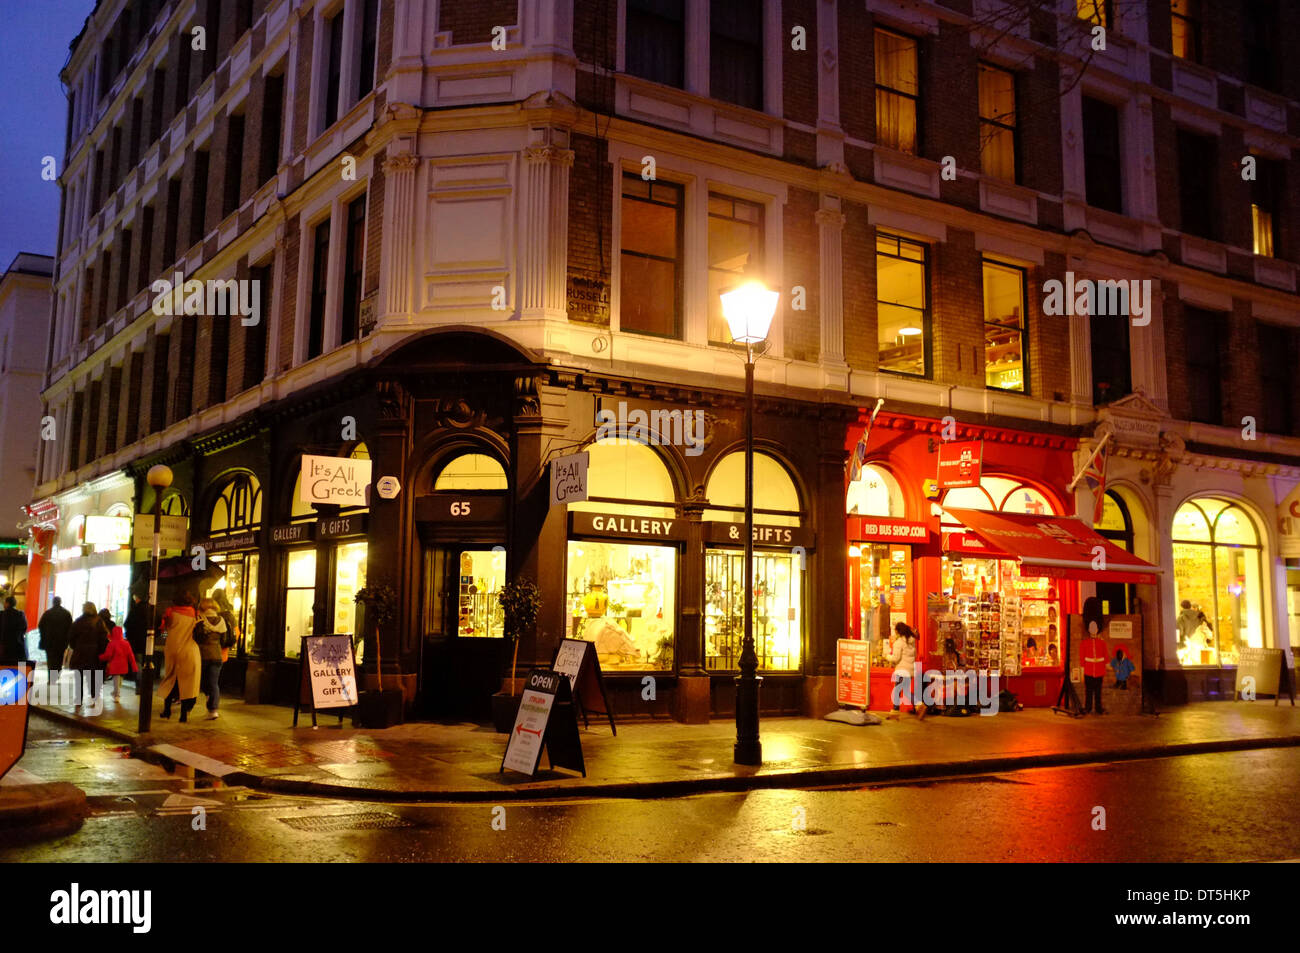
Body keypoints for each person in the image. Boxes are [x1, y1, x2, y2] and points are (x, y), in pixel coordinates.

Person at [156, 592, 201, 722]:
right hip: (189, 649)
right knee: (187, 682)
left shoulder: (170, 612)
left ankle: (167, 710)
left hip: (173, 648)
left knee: (170, 678)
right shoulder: (195, 613)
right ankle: (183, 715)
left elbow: (164, 628)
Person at [194, 598, 235, 719]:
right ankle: (213, 709)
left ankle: (211, 705)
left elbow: (195, 638)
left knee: (203, 682)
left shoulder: (198, 621)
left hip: (202, 655)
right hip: (217, 655)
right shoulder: (221, 620)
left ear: (201, 608)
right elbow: (224, 640)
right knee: (214, 683)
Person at [68, 602, 109, 706]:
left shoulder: (78, 621)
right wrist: (102, 651)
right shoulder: (99, 622)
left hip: (80, 653)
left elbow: (71, 638)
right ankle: (93, 698)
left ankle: (78, 699)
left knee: (79, 676)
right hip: (94, 654)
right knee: (93, 677)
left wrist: (76, 647)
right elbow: (104, 639)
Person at [886, 622, 920, 720]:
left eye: (895, 630)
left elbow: (895, 658)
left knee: (897, 691)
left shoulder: (899, 643)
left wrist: (886, 656)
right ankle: (918, 705)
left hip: (902, 670)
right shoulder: (912, 642)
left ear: (898, 631)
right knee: (904, 691)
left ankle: (896, 712)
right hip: (909, 670)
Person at [99, 624, 138, 700]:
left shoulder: (111, 643)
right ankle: (116, 692)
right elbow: (131, 656)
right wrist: (134, 667)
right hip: (123, 666)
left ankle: (116, 695)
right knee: (119, 680)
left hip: (114, 666)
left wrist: (100, 657)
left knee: (116, 680)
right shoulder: (126, 643)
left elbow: (108, 655)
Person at [37, 596, 73, 678]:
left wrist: (44, 636)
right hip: (61, 641)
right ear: (60, 602)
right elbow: (70, 627)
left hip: (49, 641)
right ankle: (57, 673)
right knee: (59, 658)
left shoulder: (47, 613)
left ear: (53, 602)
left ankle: (51, 676)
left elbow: (40, 626)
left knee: (50, 659)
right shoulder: (66, 614)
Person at [1080, 620, 1109, 715]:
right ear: (1089, 630)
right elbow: (1082, 658)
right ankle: (1088, 708)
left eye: (1094, 628)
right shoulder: (1084, 643)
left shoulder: (1102, 643)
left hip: (1099, 670)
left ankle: (1098, 708)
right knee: (1088, 691)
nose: (1093, 630)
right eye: (1091, 628)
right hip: (1088, 670)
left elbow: (1105, 656)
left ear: (1097, 630)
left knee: (1098, 691)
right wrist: (1082, 671)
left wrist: (1107, 666)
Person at [124, 593, 148, 674]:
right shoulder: (150, 609)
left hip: (136, 640)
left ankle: (139, 681)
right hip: (147, 641)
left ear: (138, 599)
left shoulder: (135, 609)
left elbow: (127, 624)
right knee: (145, 661)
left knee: (138, 660)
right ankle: (144, 678)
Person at [0, 596, 27, 664]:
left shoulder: (2, 614)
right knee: (21, 667)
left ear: (7, 604)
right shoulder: (20, 614)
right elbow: (24, 627)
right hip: (18, 645)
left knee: (5, 667)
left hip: (4, 646)